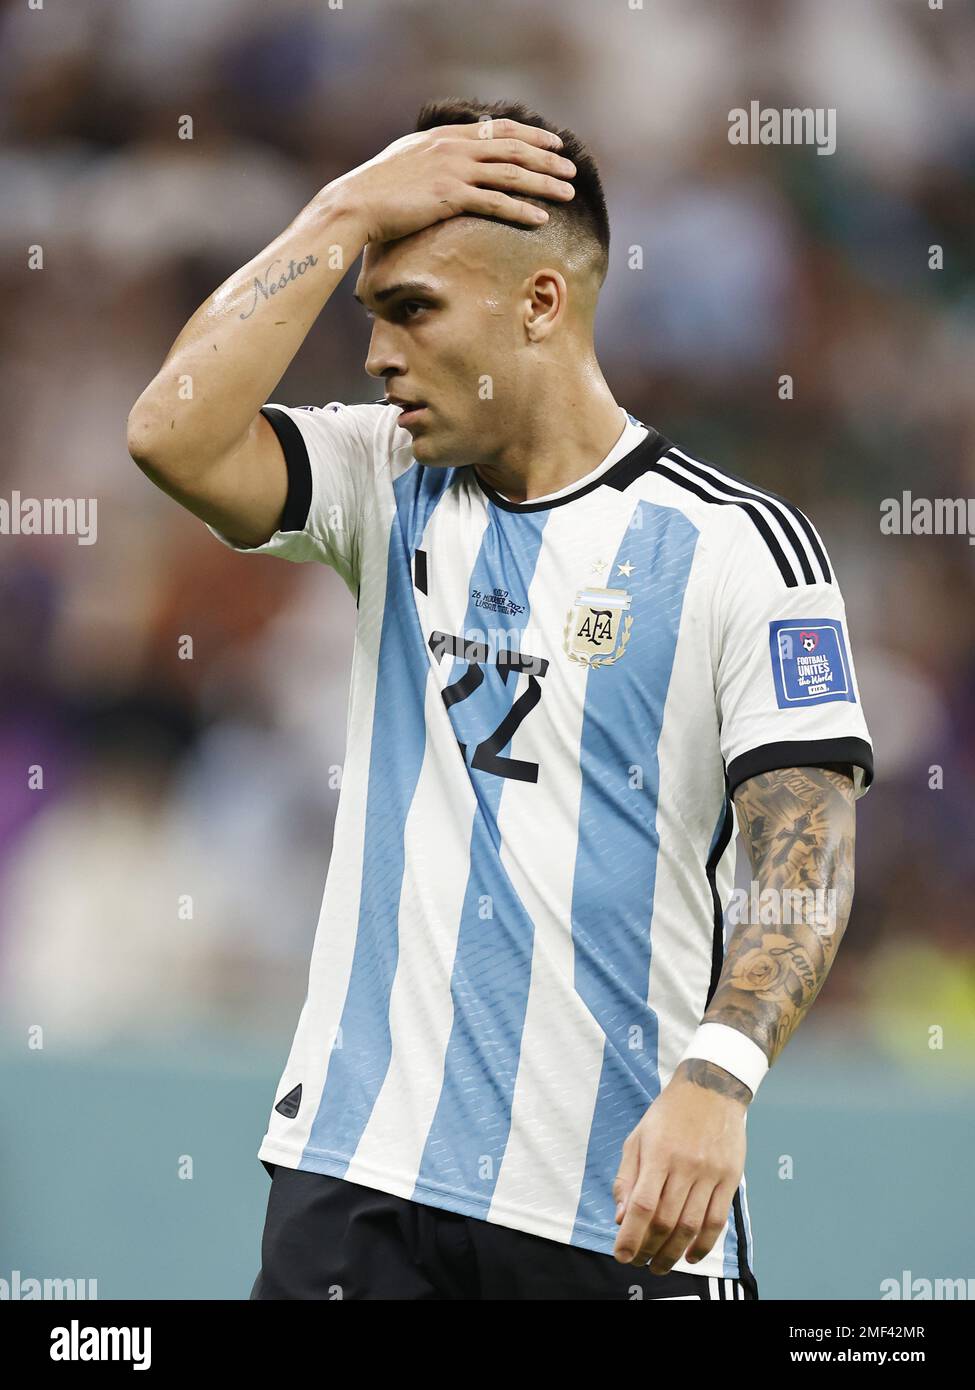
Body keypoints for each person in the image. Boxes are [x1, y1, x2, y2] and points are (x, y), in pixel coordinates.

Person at [128, 98, 873, 1301]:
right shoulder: (384, 478)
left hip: (613, 1203)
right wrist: (344, 208)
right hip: (355, 1176)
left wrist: (720, 1073)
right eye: (373, 316)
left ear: (541, 303)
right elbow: (171, 432)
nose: (376, 357)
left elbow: (808, 853)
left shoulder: (742, 548)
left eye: (412, 311)